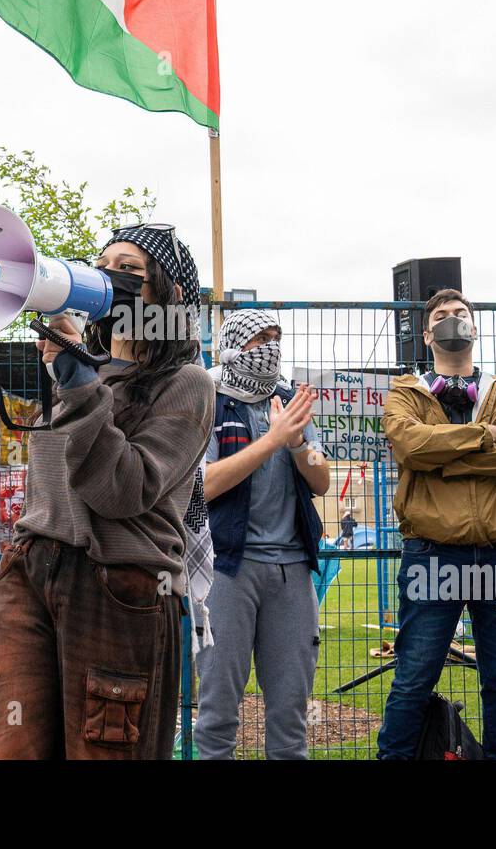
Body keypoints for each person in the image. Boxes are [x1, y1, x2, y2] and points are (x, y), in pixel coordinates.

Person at [0, 224, 214, 760]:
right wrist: (71, 373)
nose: (109, 277)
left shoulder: (187, 383)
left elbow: (122, 490)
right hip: (30, 573)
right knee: (7, 743)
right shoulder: (79, 371)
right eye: (102, 265)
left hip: (119, 583)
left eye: (130, 270)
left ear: (171, 296)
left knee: (104, 748)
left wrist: (79, 385)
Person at [376, 289, 496, 759]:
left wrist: (447, 460)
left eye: (462, 315)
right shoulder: (404, 391)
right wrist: (482, 437)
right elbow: (410, 447)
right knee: (413, 676)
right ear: (427, 334)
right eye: (443, 316)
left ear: (474, 328)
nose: (453, 321)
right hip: (432, 554)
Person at [194, 309, 330, 759]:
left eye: (275, 337)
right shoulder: (206, 398)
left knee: (290, 719)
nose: (269, 346)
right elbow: (204, 484)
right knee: (217, 716)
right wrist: (270, 441)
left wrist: (295, 442)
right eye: (259, 339)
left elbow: (322, 481)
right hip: (227, 571)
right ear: (234, 343)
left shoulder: (291, 402)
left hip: (291, 573)